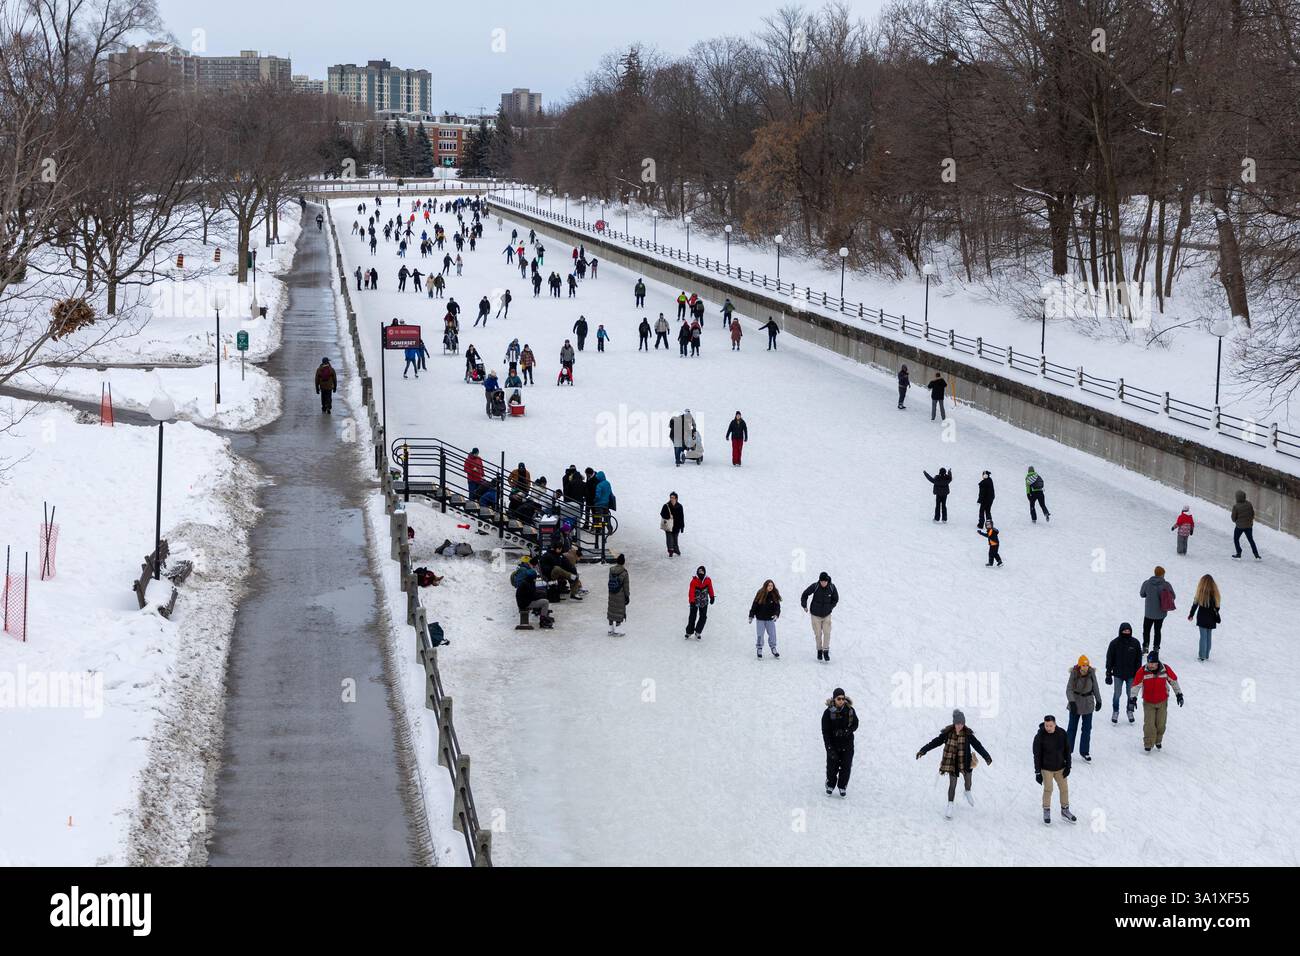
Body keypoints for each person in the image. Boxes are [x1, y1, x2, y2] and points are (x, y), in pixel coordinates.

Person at [916, 709, 992, 818]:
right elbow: (935, 742)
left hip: (965, 762)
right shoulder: (947, 734)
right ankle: (950, 805)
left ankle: (967, 791)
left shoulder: (968, 734)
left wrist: (986, 757)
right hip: (952, 763)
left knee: (968, 780)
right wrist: (923, 750)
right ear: (954, 723)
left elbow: (978, 746)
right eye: (958, 723)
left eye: (961, 724)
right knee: (952, 785)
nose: (959, 726)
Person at [1130, 651, 1183, 752]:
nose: (1150, 665)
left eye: (1153, 663)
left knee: (1161, 724)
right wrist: (1132, 699)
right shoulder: (1143, 671)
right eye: (1149, 663)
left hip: (1162, 701)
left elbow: (1174, 681)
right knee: (1149, 724)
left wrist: (1179, 694)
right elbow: (1136, 685)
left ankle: (1158, 740)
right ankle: (1148, 743)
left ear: (1157, 662)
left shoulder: (1165, 669)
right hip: (1148, 702)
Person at [1033, 715, 1076, 824]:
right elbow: (1036, 755)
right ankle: (1046, 810)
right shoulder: (1039, 737)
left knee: (1064, 789)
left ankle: (1065, 810)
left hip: (1060, 767)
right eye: (1046, 725)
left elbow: (1067, 751)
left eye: (1050, 725)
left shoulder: (1061, 733)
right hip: (1046, 768)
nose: (1048, 728)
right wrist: (1038, 772)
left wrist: (1068, 766)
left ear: (1055, 724)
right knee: (1048, 789)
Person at [1065, 655, 1103, 762]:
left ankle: (1084, 751)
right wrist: (1072, 702)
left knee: (1086, 729)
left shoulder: (1091, 673)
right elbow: (1069, 689)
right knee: (1072, 728)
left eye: (1087, 665)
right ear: (1079, 665)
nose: (1085, 668)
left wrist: (1099, 700)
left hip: (1088, 703)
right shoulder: (1074, 673)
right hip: (1075, 703)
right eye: (1083, 665)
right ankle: (1067, 752)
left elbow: (1095, 687)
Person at [821, 688, 859, 797]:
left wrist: (848, 731)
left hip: (847, 745)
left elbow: (856, 724)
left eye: (843, 698)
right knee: (832, 767)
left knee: (846, 766)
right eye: (839, 699)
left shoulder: (850, 710)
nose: (841, 701)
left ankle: (842, 786)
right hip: (833, 745)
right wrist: (828, 747)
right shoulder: (828, 713)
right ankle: (830, 784)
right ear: (834, 699)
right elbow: (825, 732)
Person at [1104, 622, 1141, 725]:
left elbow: (1139, 660)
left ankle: (1130, 711)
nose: (1126, 632)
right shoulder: (1114, 643)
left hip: (1131, 675)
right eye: (1124, 631)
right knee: (1117, 694)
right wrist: (1108, 673)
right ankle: (1115, 711)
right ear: (1121, 631)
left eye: (1128, 631)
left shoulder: (1135, 643)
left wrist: (1138, 674)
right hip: (1118, 674)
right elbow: (1109, 659)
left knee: (1130, 694)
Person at [801, 572, 839, 662]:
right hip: (815, 615)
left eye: (825, 581)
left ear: (827, 580)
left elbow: (836, 599)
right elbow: (805, 594)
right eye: (821, 581)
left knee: (827, 633)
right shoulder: (815, 586)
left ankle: (825, 651)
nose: (823, 583)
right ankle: (819, 650)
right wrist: (804, 605)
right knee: (818, 634)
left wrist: (830, 607)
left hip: (827, 615)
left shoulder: (832, 587)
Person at [1139, 565, 1175, 654]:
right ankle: (1156, 648)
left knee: (1146, 630)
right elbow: (1173, 596)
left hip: (1149, 613)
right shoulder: (1166, 585)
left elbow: (1142, 594)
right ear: (1162, 574)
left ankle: (1145, 647)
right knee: (1157, 631)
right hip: (1160, 613)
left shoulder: (1147, 583)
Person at [513, 557, 554, 630]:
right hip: (525, 603)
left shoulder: (527, 581)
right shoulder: (528, 584)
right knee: (545, 602)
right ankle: (543, 620)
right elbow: (533, 596)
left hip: (524, 601)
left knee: (542, 595)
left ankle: (543, 614)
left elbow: (532, 594)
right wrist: (540, 596)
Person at [1187, 574, 1221, 661]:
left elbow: (1195, 604)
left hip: (1202, 617)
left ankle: (1202, 656)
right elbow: (1217, 608)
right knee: (1208, 636)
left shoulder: (1200, 593)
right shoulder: (1215, 593)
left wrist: (1191, 615)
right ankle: (1206, 655)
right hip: (1212, 618)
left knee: (1203, 636)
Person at [749, 580, 781, 659]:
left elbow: (777, 607)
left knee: (773, 634)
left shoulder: (774, 595)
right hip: (760, 619)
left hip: (770, 619)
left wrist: (776, 614)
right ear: (766, 586)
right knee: (760, 635)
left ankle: (773, 647)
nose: (770, 587)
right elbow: (754, 605)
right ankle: (759, 648)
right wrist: (751, 615)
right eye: (769, 585)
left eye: (772, 586)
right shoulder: (760, 593)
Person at [685, 566, 715, 639]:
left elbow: (710, 588)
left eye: (702, 572)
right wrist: (691, 602)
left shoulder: (708, 580)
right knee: (692, 617)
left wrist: (712, 597)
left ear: (704, 573)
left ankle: (698, 631)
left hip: (704, 601)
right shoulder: (694, 581)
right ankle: (689, 632)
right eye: (699, 572)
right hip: (694, 602)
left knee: (703, 617)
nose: (700, 574)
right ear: (697, 572)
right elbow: (691, 592)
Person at [1230, 490, 1261, 559]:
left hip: (1239, 527)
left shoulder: (1236, 506)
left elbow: (1233, 518)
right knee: (1251, 540)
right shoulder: (1249, 504)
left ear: (1237, 498)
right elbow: (1252, 514)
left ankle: (1239, 553)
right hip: (1249, 526)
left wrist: (1237, 521)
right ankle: (1256, 554)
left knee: (1236, 539)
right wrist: (1249, 521)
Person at [607, 554, 630, 636]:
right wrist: (627, 596)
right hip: (620, 594)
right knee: (619, 610)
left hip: (611, 592)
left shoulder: (611, 570)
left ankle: (610, 629)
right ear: (623, 562)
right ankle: (617, 629)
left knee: (611, 609)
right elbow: (626, 586)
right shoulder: (624, 572)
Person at [660, 492, 684, 557]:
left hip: (676, 526)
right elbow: (662, 514)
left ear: (676, 498)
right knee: (669, 539)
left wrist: (682, 527)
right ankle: (670, 551)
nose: (672, 499)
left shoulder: (679, 506)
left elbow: (682, 517)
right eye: (671, 497)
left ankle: (676, 550)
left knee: (675, 540)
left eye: (673, 497)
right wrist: (668, 516)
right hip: (668, 526)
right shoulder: (666, 505)